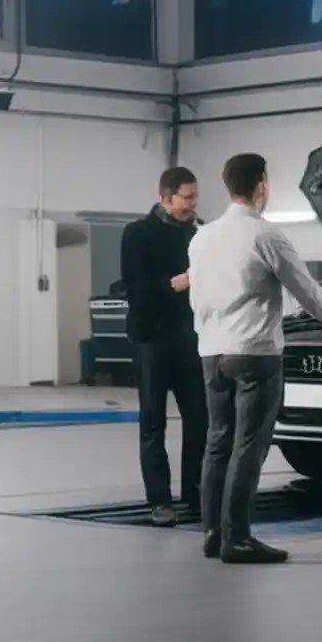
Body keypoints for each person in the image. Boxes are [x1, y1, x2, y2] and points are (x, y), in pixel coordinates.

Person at [188, 153, 322, 564]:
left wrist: (208, 336)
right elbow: (308, 291)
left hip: (212, 352)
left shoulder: (201, 237)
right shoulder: (266, 236)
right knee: (248, 446)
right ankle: (238, 538)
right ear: (263, 185)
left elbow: (197, 296)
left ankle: (214, 534)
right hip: (254, 353)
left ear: (227, 185)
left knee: (217, 442)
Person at [121, 167, 208, 527]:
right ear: (165, 197)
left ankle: (197, 493)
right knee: (153, 422)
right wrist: (175, 285)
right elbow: (136, 288)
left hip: (190, 339)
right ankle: (160, 500)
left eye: (194, 198)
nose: (192, 205)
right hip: (152, 339)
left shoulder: (200, 234)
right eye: (186, 198)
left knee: (200, 419)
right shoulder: (138, 234)